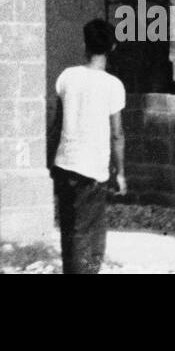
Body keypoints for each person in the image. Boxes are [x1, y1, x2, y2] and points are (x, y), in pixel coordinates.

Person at [48, 18, 126, 275]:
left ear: (85, 45)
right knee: (91, 236)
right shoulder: (113, 85)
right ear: (113, 47)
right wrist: (120, 172)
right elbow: (117, 134)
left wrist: (51, 161)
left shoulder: (67, 77)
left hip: (64, 164)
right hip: (92, 170)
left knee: (70, 231)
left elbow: (57, 124)